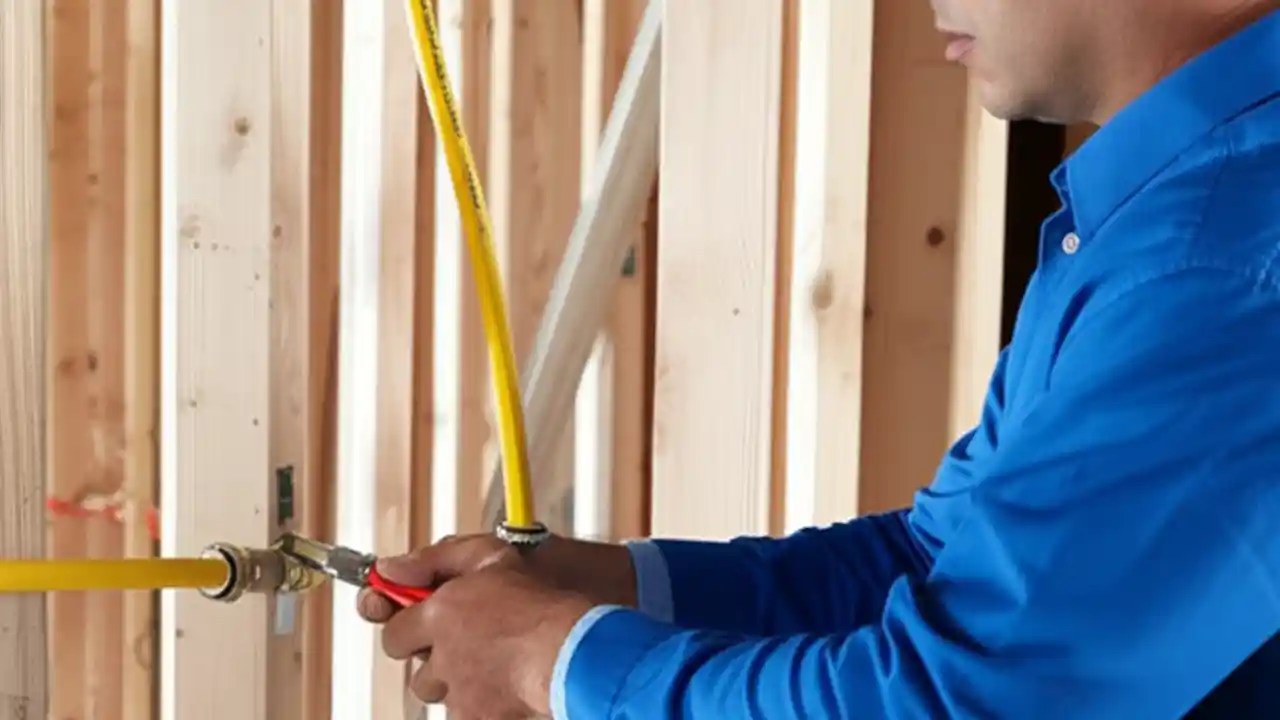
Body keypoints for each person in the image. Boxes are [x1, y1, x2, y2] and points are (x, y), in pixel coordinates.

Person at [359, 0, 1280, 717]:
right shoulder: (1163, 220)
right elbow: (936, 561)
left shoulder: (1216, 268)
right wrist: (613, 590)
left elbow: (953, 704)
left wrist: (550, 657)